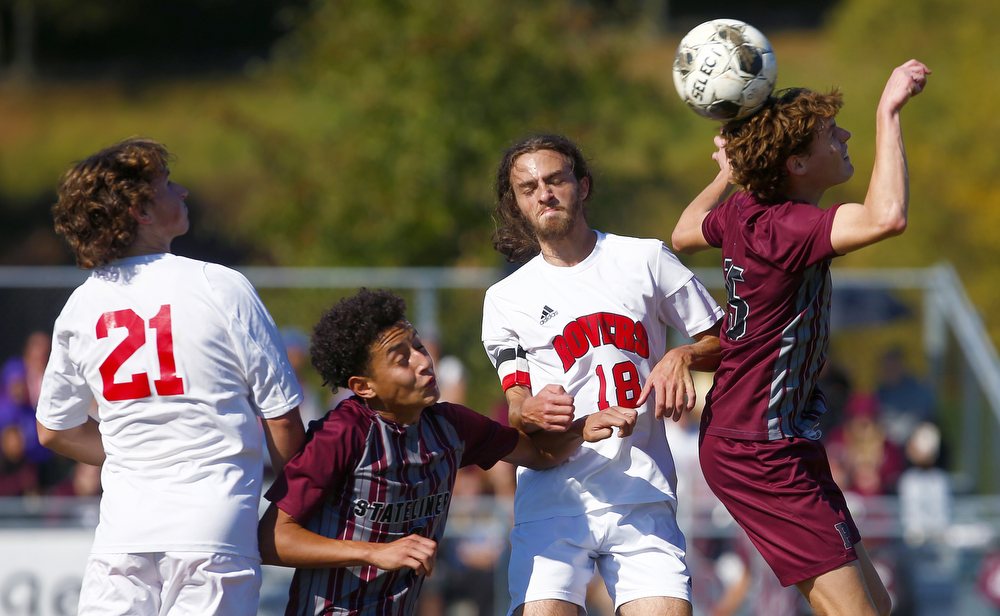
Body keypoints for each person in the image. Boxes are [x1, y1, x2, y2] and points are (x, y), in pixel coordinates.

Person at [670, 59, 931, 616]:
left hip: (777, 439)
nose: (845, 136)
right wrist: (888, 111)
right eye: (829, 134)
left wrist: (725, 176)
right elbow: (887, 217)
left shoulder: (746, 210)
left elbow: (684, 231)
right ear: (796, 164)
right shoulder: (785, 226)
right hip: (756, 449)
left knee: (877, 606)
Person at [34, 138, 306, 616]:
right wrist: (296, 511)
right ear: (140, 211)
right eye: (167, 185)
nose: (182, 192)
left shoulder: (81, 304)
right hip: (213, 530)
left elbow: (55, 430)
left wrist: (137, 456)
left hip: (122, 535)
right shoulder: (220, 285)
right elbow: (281, 419)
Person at [258, 288, 637, 616]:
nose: (424, 362)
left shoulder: (452, 425)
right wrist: (373, 553)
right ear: (364, 386)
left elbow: (540, 455)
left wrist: (581, 429)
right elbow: (271, 539)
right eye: (402, 359)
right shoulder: (343, 434)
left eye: (418, 347)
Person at [482, 134, 725, 616]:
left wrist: (682, 355)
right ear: (517, 203)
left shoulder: (646, 259)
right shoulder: (506, 298)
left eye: (556, 180)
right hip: (554, 500)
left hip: (641, 496)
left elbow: (726, 342)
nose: (544, 194)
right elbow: (517, 410)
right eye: (529, 188)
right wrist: (531, 410)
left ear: (583, 185)